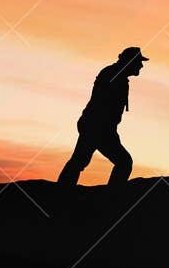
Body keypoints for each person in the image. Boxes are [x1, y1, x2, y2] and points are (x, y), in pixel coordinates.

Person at [58, 47, 147, 186]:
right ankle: (111, 197)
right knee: (124, 162)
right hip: (97, 127)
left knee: (79, 161)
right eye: (138, 62)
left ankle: (62, 191)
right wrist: (107, 131)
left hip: (97, 126)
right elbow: (103, 107)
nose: (141, 65)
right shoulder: (113, 76)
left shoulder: (116, 75)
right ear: (130, 62)